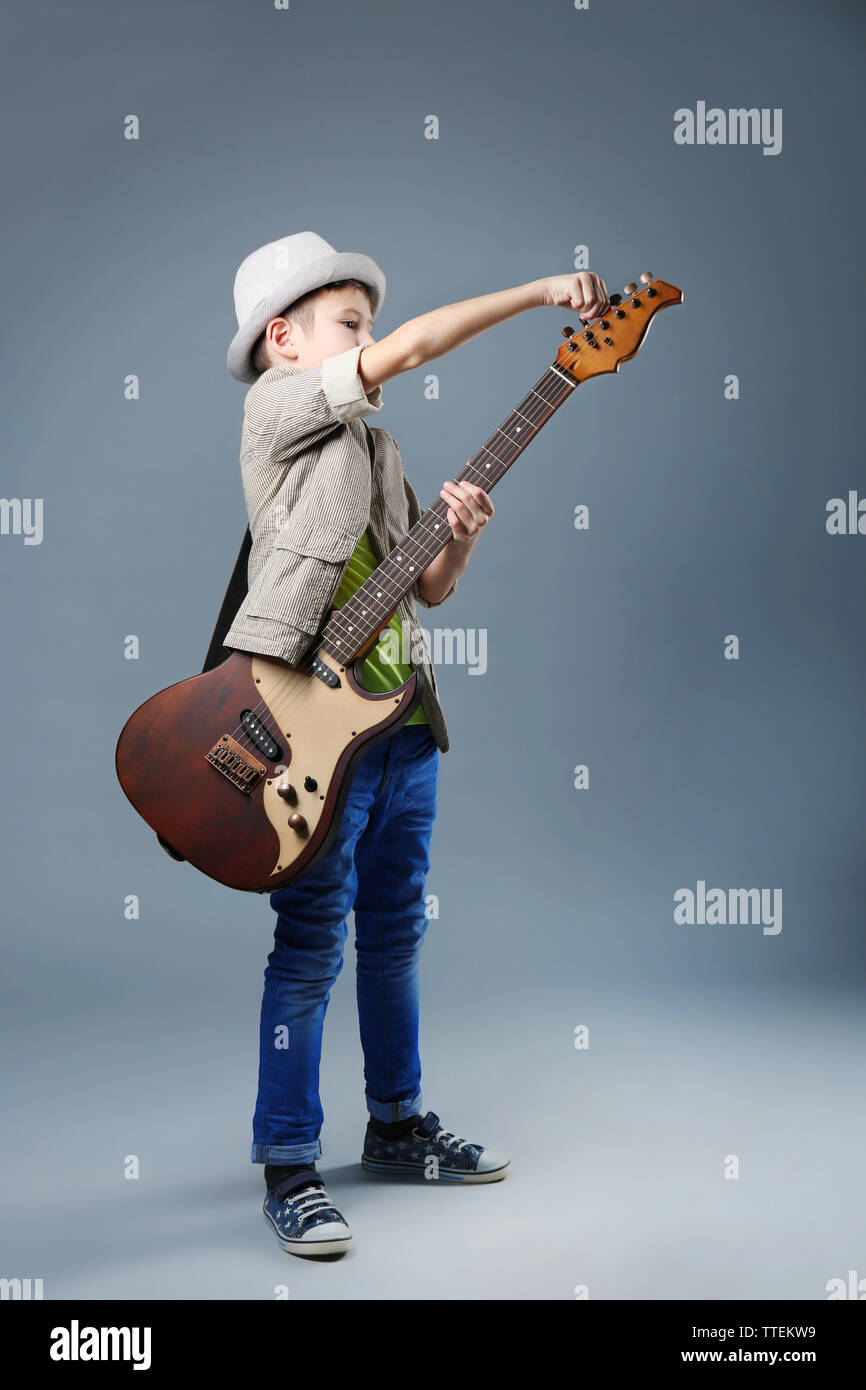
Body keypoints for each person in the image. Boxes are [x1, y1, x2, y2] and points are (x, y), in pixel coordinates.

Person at [223, 231, 610, 1257]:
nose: (375, 339)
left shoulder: (380, 453)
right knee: (309, 947)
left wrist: (458, 533)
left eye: (367, 322)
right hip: (314, 743)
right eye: (352, 324)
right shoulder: (274, 416)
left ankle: (394, 1127)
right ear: (282, 339)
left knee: (393, 936)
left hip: (402, 729)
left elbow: (423, 590)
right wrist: (536, 288)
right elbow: (411, 352)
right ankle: (290, 1166)